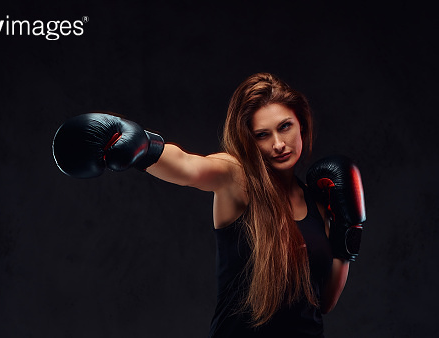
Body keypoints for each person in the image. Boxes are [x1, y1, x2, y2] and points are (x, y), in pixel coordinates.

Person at [52, 72, 366, 337]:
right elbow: (189, 167)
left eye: (285, 126)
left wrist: (347, 235)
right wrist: (142, 145)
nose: (278, 144)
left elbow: (322, 304)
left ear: (302, 125)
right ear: (248, 141)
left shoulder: (321, 200)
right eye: (262, 135)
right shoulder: (237, 177)